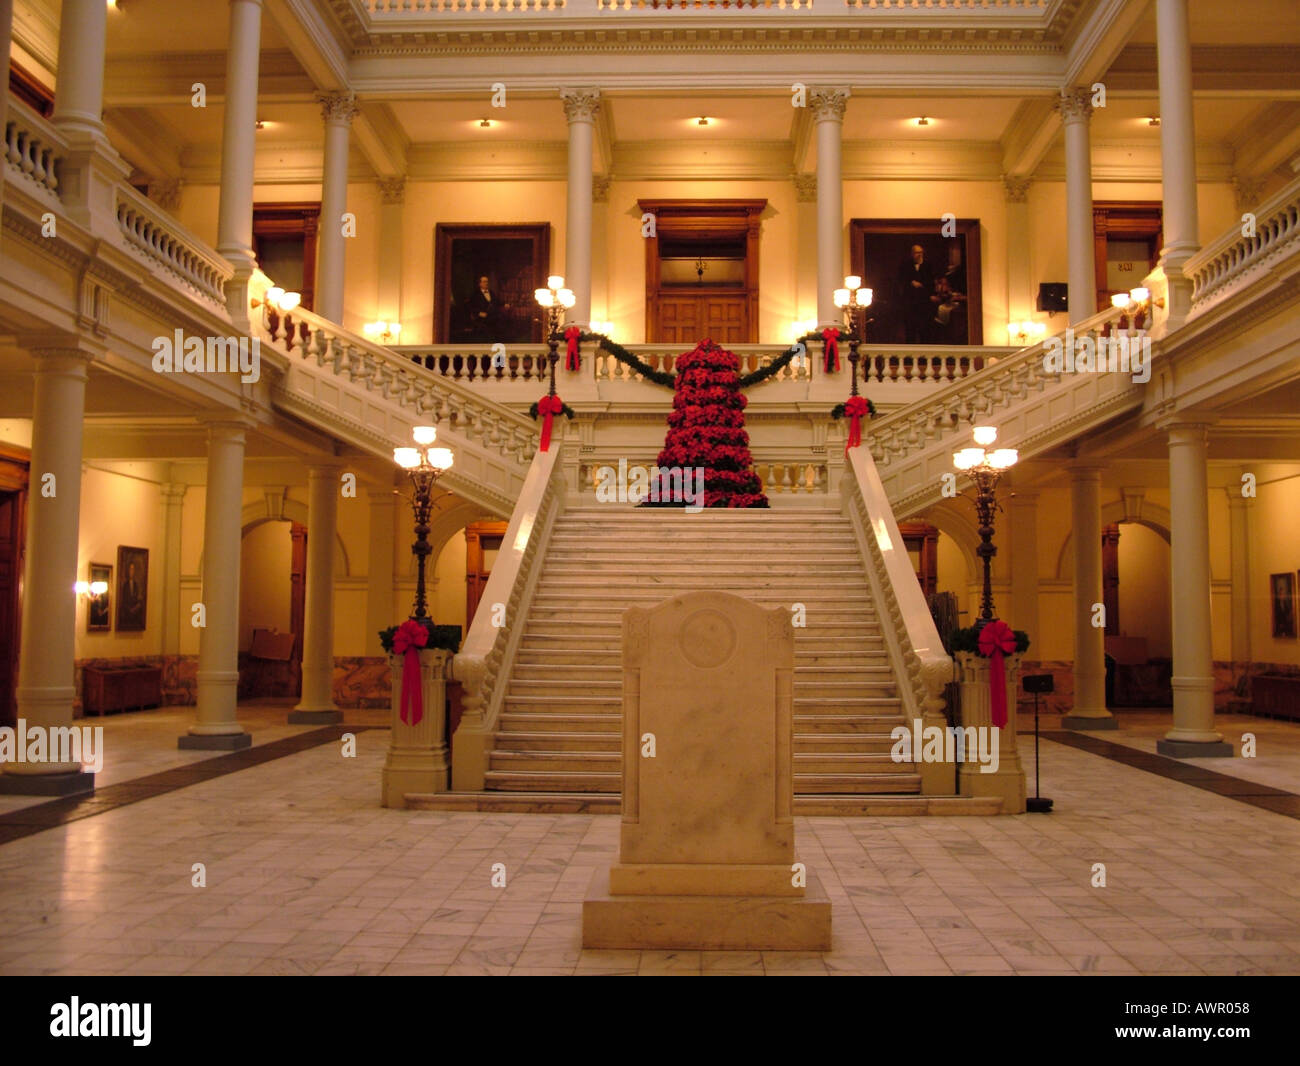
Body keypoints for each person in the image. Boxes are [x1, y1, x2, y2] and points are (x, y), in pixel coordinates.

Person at [898, 244, 934, 344]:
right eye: (917, 253)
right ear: (912, 254)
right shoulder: (905, 265)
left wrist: (922, 284)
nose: (919, 255)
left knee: (924, 330)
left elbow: (931, 282)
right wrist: (911, 282)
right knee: (910, 329)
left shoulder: (927, 265)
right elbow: (901, 279)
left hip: (924, 302)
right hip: (910, 302)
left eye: (921, 252)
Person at [465, 274, 504, 342]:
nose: (486, 283)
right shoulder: (475, 294)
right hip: (481, 317)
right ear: (480, 284)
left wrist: (505, 304)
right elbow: (470, 306)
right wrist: (478, 313)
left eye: (487, 281)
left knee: (501, 323)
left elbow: (497, 301)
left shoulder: (491, 292)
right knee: (485, 334)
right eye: (484, 281)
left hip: (492, 316)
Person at [119, 559, 145, 630]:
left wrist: (137, 606)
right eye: (130, 569)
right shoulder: (125, 585)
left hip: (135, 612)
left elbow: (137, 598)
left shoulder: (136, 585)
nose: (131, 571)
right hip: (127, 612)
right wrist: (129, 609)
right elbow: (123, 601)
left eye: (133, 569)